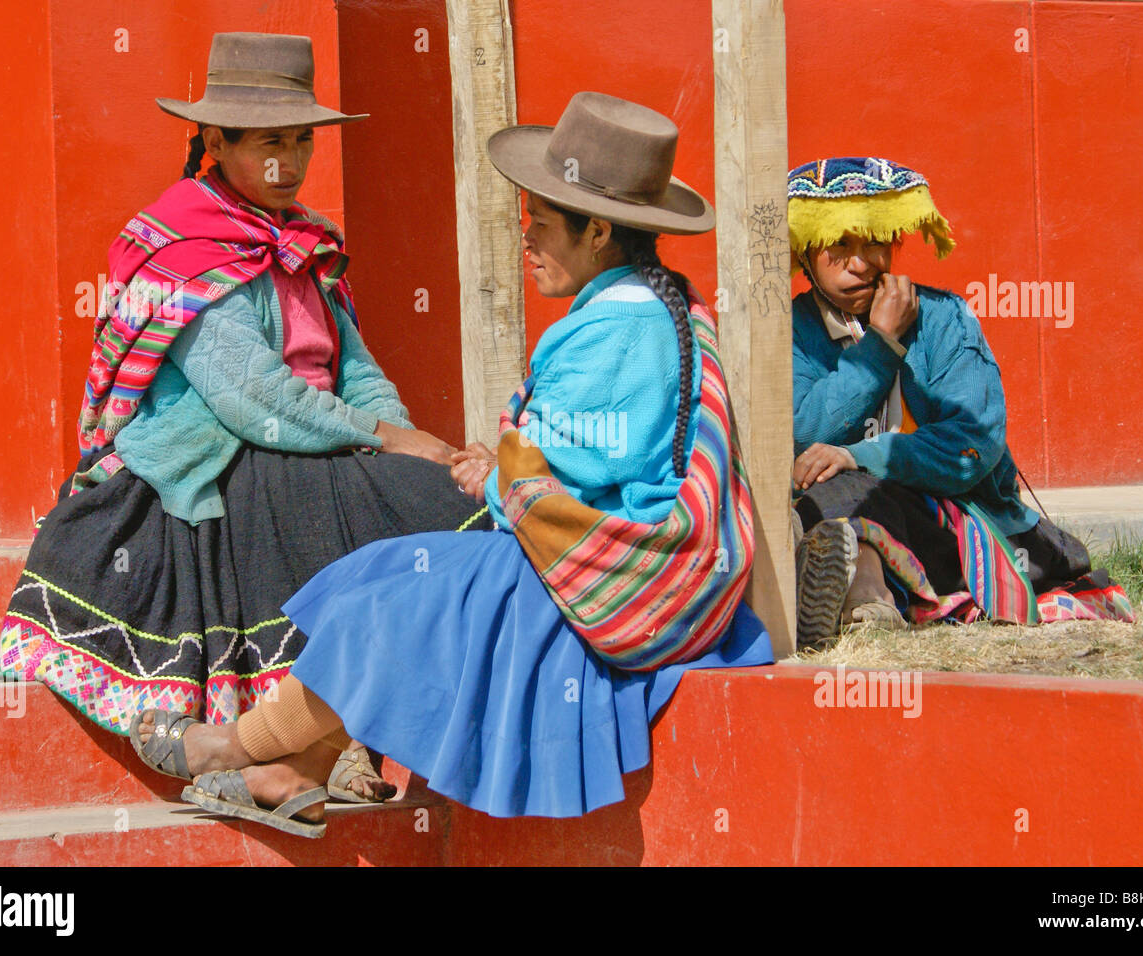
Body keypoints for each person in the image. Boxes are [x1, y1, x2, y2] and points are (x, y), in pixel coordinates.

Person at [130, 91, 774, 837]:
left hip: (611, 567)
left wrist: (493, 475)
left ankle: (232, 747)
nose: (524, 237)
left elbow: (562, 472)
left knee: (398, 602)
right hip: (597, 542)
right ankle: (291, 769)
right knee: (391, 575)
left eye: (540, 220)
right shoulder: (644, 305)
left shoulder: (622, 324)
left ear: (598, 230)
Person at [0, 33, 487, 803]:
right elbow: (256, 401)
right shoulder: (185, 251)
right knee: (335, 506)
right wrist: (386, 441)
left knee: (434, 505)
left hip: (315, 444)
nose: (289, 163)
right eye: (269, 144)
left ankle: (325, 738)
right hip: (216, 459)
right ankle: (295, 747)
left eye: (301, 142)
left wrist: (407, 446)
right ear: (216, 143)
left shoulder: (299, 243)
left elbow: (356, 370)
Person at [787, 156, 1132, 644]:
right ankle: (844, 575)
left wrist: (855, 455)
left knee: (852, 490)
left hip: (948, 517)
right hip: (825, 504)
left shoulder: (946, 318)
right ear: (805, 252)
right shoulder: (791, 330)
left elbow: (971, 446)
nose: (862, 262)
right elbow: (804, 435)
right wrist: (878, 348)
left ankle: (867, 594)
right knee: (821, 502)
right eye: (839, 245)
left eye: (876, 242)